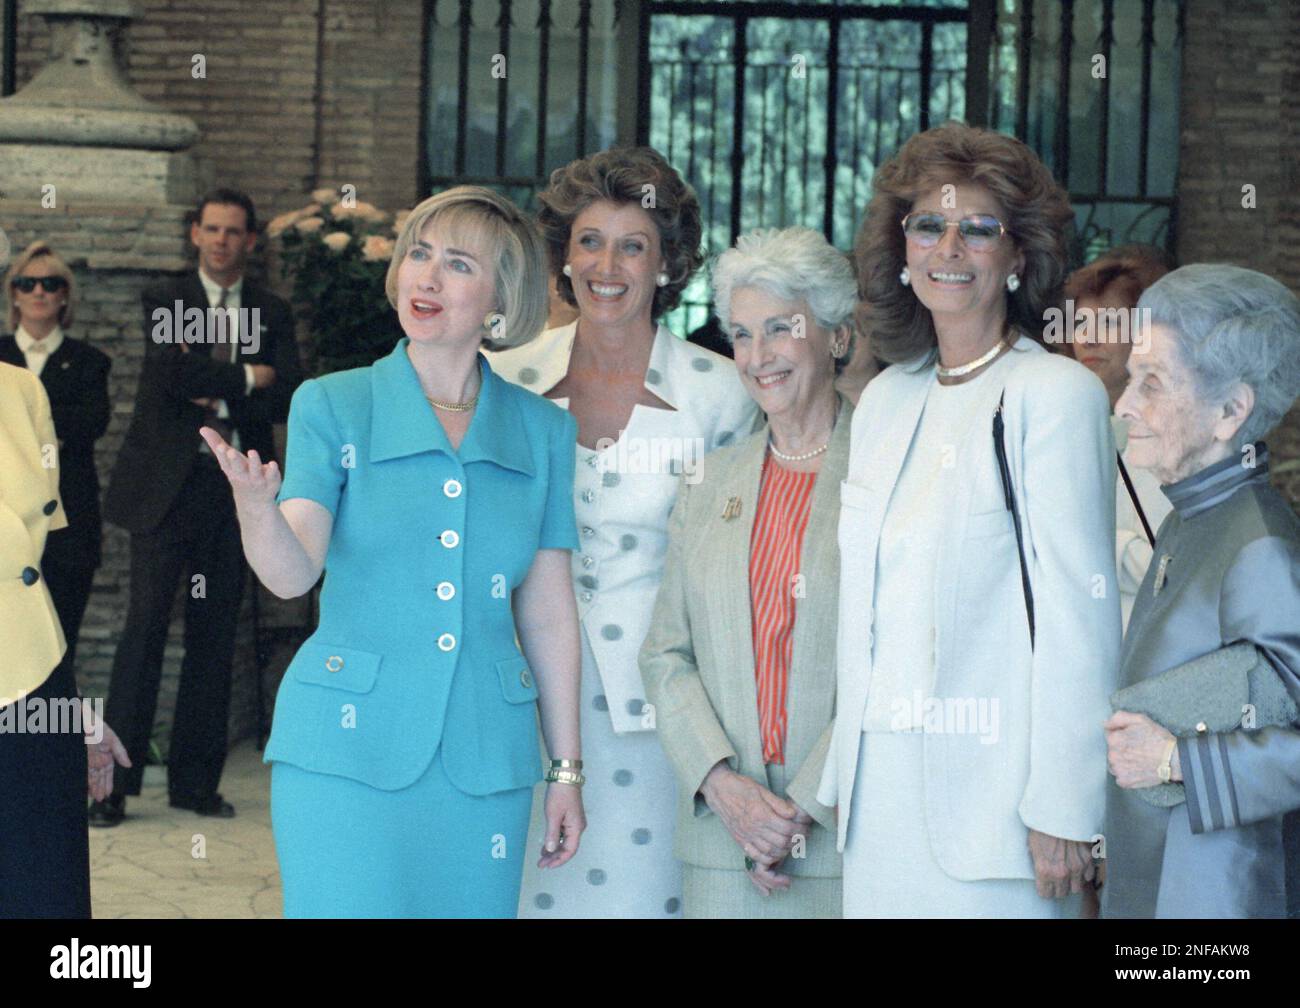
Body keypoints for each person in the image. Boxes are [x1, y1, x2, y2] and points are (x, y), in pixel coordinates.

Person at [203, 185, 585, 918]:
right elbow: (292, 573)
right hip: (343, 752)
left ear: (502, 297)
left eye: (459, 264)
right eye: (419, 254)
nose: (427, 277)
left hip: (485, 760)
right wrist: (257, 509)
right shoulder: (333, 404)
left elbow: (547, 612)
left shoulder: (543, 433)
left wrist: (566, 769)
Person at [819, 122, 1121, 918]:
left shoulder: (1053, 397)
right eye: (929, 225)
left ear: (1019, 257)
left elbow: (1078, 618)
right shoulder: (885, 400)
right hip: (878, 806)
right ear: (902, 248)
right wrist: (843, 781)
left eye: (978, 229)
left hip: (998, 817)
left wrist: (1065, 808)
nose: (949, 247)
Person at [488, 146, 759, 918]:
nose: (608, 265)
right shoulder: (505, 381)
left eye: (633, 245)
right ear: (562, 256)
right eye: (589, 241)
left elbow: (733, 568)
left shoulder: (720, 395)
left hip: (660, 714)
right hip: (518, 700)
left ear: (668, 263)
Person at [640, 227, 854, 918]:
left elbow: (906, 659)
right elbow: (665, 652)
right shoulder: (709, 481)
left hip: (848, 840)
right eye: (741, 334)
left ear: (838, 338)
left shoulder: (890, 472)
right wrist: (724, 789)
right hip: (721, 844)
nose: (757, 357)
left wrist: (799, 809)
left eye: (780, 330)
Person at [93, 188, 302, 826]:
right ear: (194, 234)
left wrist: (228, 389)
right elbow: (168, 380)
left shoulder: (270, 310)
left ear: (251, 240)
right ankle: (111, 792)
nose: (221, 240)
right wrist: (246, 378)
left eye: (234, 231)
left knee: (214, 641)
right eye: (211, 229)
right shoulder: (168, 300)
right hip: (166, 492)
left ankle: (194, 784)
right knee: (145, 634)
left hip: (236, 495)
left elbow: (288, 391)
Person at [1102, 264, 1300, 918]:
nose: (1123, 405)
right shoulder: (1191, 518)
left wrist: (1171, 759)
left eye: (1150, 383)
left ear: (1231, 411)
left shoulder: (1259, 542)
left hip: (1217, 901)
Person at [0, 361, 129, 919]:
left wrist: (69, 708)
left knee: (46, 890)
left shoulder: (22, 386)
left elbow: (27, 576)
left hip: (30, 667)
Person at [1, 242, 111, 689]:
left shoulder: (89, 361)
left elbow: (90, 423)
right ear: (14, 294)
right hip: (7, 522)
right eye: (28, 283)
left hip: (68, 520)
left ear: (65, 296)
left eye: (52, 283)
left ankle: (54, 745)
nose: (39, 292)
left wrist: (23, 427)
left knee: (59, 637)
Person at [1064, 245, 1175, 630]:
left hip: (1138, 648)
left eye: (1110, 324)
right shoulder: (1068, 421)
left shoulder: (1165, 435)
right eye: (1081, 324)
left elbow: (1170, 567)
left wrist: (1071, 540)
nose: (1089, 340)